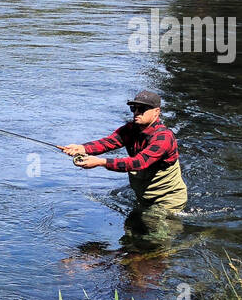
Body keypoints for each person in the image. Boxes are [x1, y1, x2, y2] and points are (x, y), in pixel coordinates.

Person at [60, 90, 188, 239]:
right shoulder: (130, 129)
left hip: (169, 199)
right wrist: (81, 148)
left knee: (155, 238)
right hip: (145, 198)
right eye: (134, 108)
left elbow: (138, 163)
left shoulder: (164, 137)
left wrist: (100, 162)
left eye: (142, 109)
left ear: (156, 112)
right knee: (130, 233)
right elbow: (108, 142)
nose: (136, 113)